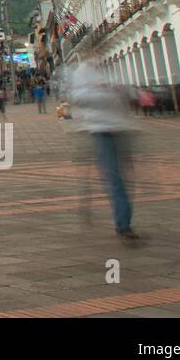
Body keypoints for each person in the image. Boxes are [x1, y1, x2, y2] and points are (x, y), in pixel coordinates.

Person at [70, 62, 141, 243]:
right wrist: (104, 91)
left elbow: (131, 91)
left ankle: (123, 220)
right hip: (100, 130)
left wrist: (127, 92)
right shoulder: (83, 70)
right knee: (114, 178)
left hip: (121, 128)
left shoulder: (115, 67)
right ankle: (123, 224)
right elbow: (78, 97)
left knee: (126, 178)